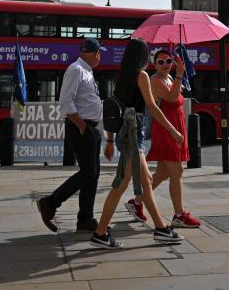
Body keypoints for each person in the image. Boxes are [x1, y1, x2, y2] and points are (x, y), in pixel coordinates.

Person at [90, 38, 184, 248]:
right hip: (133, 135)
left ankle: (159, 228)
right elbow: (152, 107)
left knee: (143, 182)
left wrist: (111, 140)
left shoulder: (123, 76)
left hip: (126, 135)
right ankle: (101, 232)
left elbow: (116, 110)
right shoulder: (141, 75)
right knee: (121, 185)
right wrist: (173, 130)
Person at [37, 37, 107, 233]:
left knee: (93, 175)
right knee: (88, 172)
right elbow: (66, 101)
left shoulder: (87, 71)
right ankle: (50, 202)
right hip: (81, 127)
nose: (100, 56)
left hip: (90, 127)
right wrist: (82, 125)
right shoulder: (76, 69)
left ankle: (85, 218)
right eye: (99, 52)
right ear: (93, 53)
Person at [126, 49, 201, 229]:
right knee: (177, 171)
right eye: (161, 62)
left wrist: (179, 77)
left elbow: (177, 97)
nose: (166, 64)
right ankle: (179, 214)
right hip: (167, 129)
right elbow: (171, 97)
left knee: (163, 174)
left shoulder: (169, 79)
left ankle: (136, 202)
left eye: (168, 61)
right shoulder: (155, 81)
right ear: (154, 64)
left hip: (176, 126)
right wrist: (180, 75)